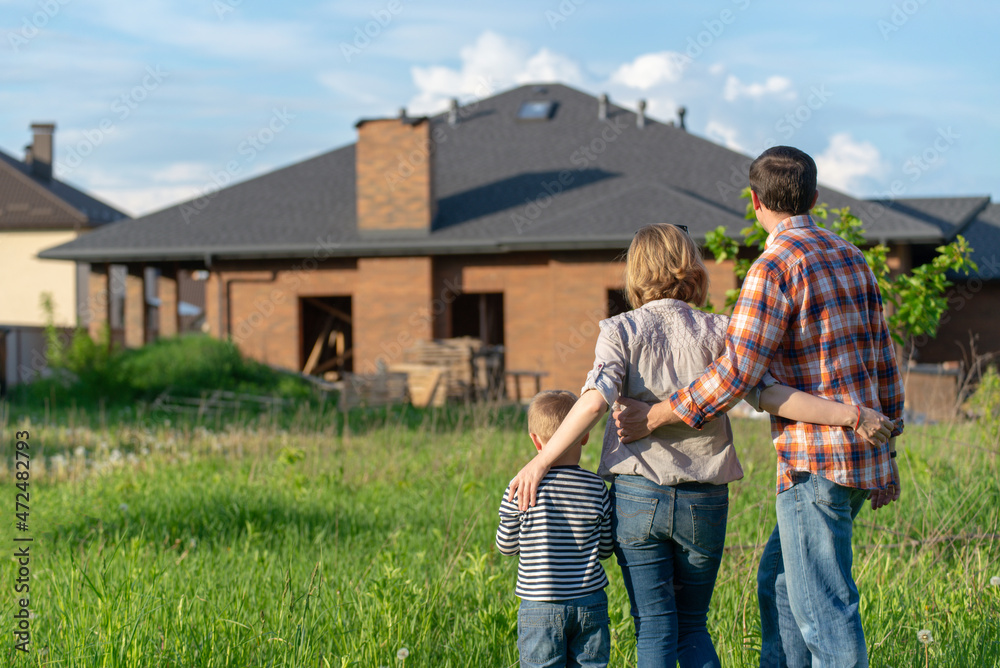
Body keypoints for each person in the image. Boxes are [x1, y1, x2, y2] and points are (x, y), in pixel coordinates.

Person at [507, 223, 893, 667]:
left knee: (653, 624)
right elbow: (770, 395)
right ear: (692, 268)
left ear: (635, 272)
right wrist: (851, 416)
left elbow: (595, 400)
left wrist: (542, 460)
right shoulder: (721, 330)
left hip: (637, 495)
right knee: (693, 624)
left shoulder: (619, 330)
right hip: (704, 500)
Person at [613, 146, 904, 667]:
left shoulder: (772, 268)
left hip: (812, 463)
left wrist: (653, 416)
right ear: (815, 197)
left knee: (824, 611)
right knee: (779, 584)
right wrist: (890, 459)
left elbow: (736, 374)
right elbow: (884, 363)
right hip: (860, 456)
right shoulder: (853, 258)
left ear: (754, 202)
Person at [497, 390, 615, 668]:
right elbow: (607, 549)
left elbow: (506, 546)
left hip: (540, 604)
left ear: (535, 441)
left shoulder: (519, 486)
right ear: (584, 436)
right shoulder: (597, 487)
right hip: (590, 601)